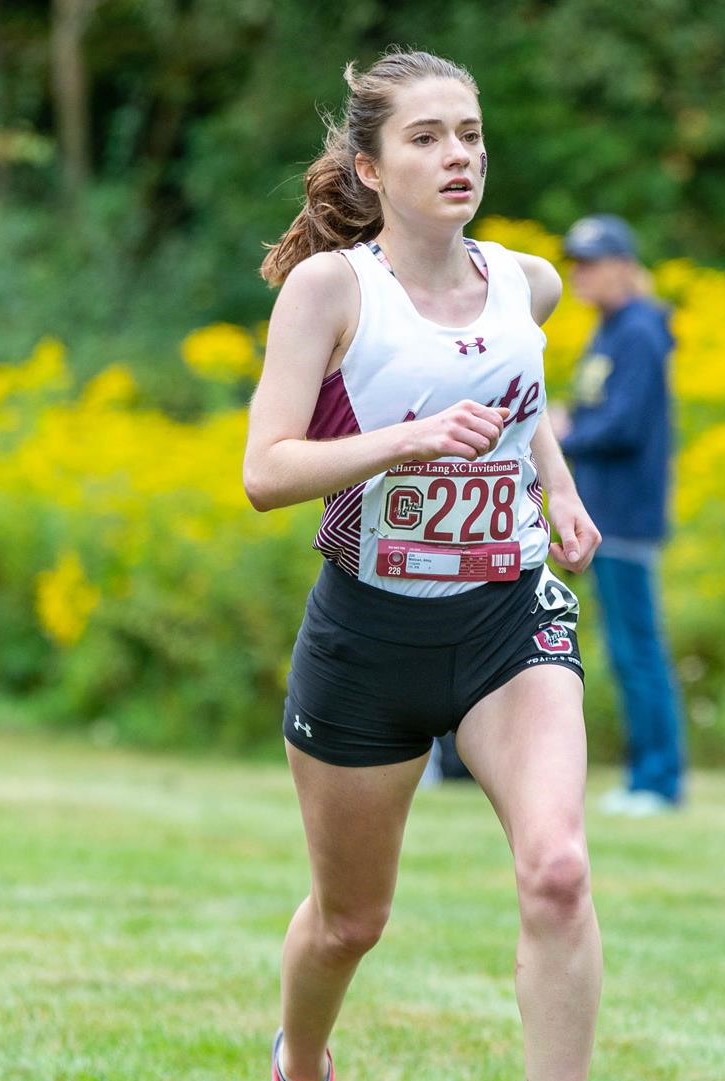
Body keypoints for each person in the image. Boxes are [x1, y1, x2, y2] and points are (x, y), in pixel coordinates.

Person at [242, 49, 605, 1080]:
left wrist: (562, 489)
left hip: (505, 617)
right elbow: (265, 471)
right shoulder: (329, 291)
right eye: (427, 137)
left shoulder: (525, 283)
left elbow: (511, 398)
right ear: (367, 168)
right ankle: (299, 1059)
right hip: (368, 634)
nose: (459, 156)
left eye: (471, 135)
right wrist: (404, 441)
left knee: (557, 871)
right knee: (350, 921)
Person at [552, 214, 685, 816]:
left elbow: (625, 424)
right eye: (575, 263)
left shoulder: (637, 331)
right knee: (627, 647)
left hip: (626, 513)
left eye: (593, 262)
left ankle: (658, 780)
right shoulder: (610, 329)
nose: (581, 275)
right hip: (604, 509)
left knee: (638, 649)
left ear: (624, 266)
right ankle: (647, 775)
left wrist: (564, 432)